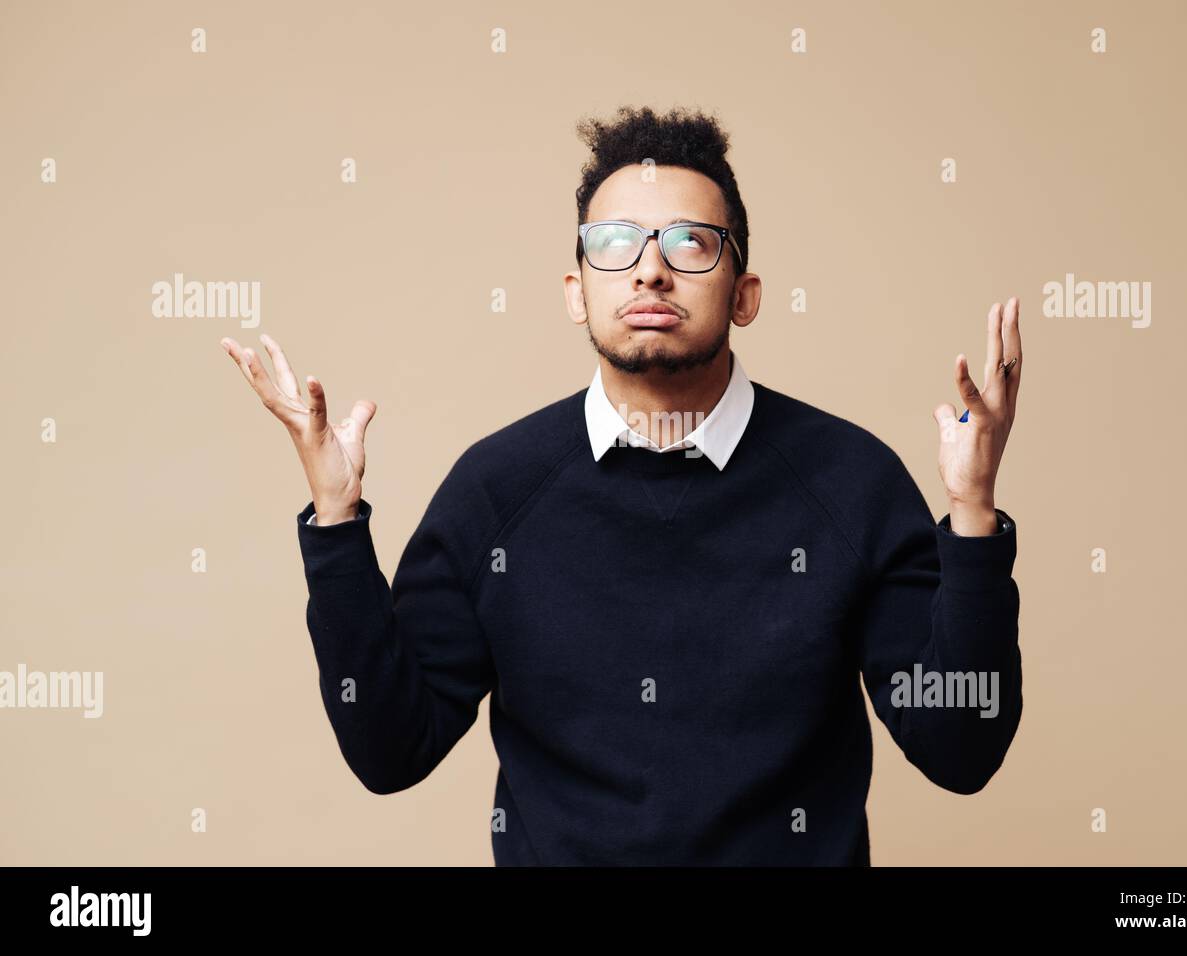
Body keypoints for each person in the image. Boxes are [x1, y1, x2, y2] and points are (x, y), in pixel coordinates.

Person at [220, 105, 1025, 866]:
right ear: (576, 292)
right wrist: (336, 523)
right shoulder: (496, 491)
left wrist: (973, 516)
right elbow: (389, 751)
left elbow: (961, 749)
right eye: (614, 243)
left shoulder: (851, 482)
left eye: (689, 242)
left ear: (744, 295)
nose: (650, 271)